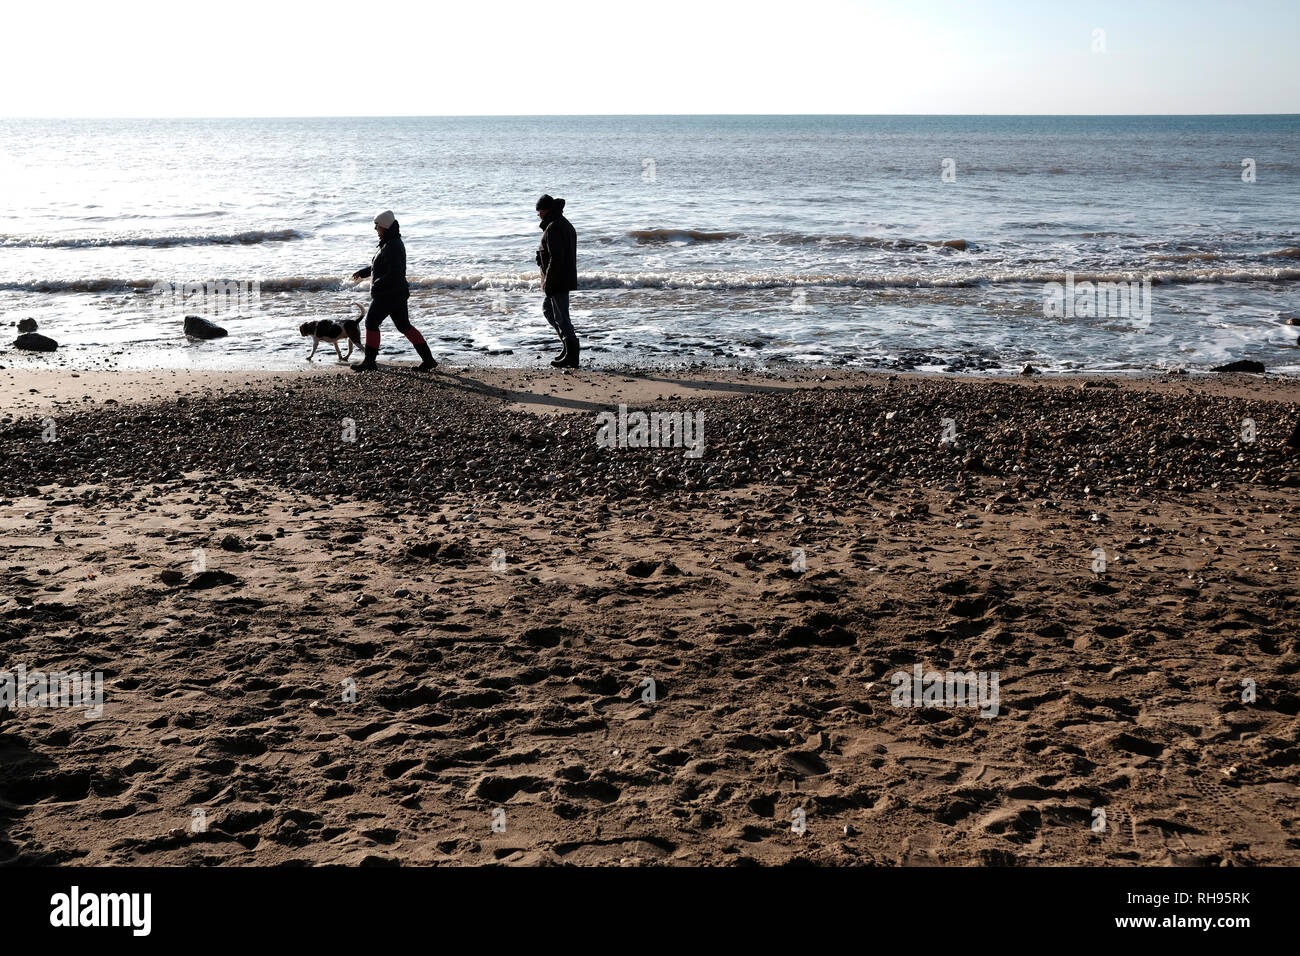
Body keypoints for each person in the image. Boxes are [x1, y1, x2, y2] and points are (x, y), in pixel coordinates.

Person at [350, 210, 436, 372]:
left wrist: (377, 285)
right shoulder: (391, 242)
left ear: (385, 226)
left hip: (388, 294)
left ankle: (369, 362)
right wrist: (364, 272)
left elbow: (395, 272)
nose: (375, 229)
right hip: (397, 293)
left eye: (377, 226)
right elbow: (381, 266)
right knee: (404, 326)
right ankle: (429, 360)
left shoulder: (392, 245)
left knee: (371, 322)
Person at [535, 194, 579, 368]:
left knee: (561, 317)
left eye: (539, 211)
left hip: (558, 280)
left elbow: (556, 258)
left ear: (545, 210)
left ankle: (572, 355)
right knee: (549, 310)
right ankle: (567, 348)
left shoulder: (554, 227)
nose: (538, 214)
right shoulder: (561, 223)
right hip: (562, 278)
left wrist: (549, 283)